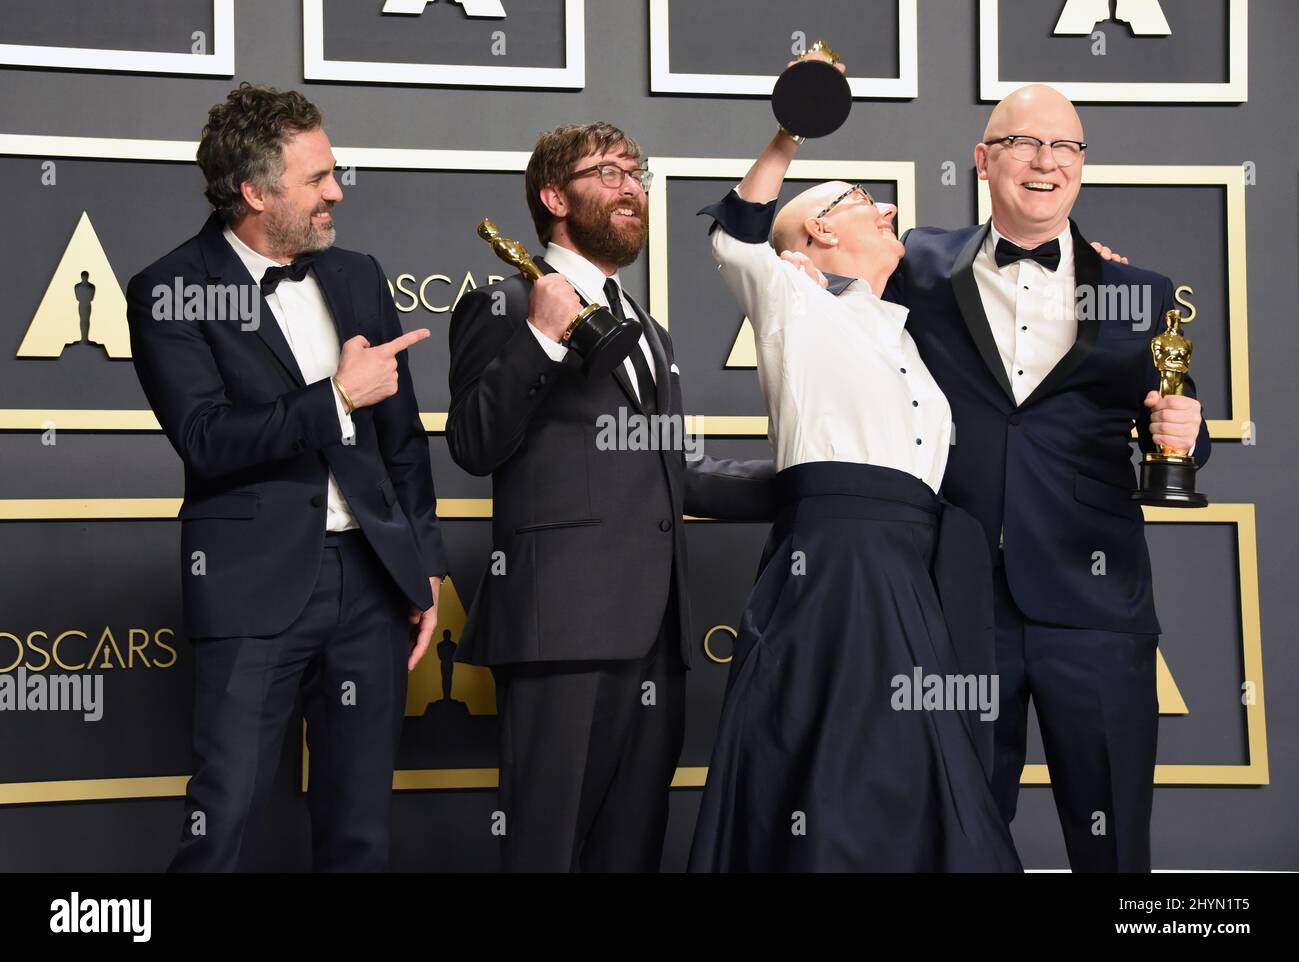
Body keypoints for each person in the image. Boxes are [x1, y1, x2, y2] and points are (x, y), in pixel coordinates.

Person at [687, 54, 1022, 873]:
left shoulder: (906, 332)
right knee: (833, 775)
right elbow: (736, 234)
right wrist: (793, 125)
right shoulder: (789, 297)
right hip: (835, 569)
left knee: (923, 775)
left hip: (917, 570)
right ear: (817, 234)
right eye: (861, 202)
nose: (888, 210)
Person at [880, 84, 1211, 872]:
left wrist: (1187, 437)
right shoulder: (915, 264)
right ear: (984, 158)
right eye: (1026, 143)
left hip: (1094, 601)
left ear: (1083, 167)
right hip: (956, 599)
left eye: (1066, 147)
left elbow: (1175, 427)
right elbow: (793, 270)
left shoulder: (1145, 294)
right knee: (959, 831)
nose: (1046, 161)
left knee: (1115, 839)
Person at [127, 84, 447, 871]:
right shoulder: (169, 288)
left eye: (333, 172)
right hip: (252, 586)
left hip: (372, 586)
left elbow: (401, 444)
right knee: (225, 814)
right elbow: (205, 439)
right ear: (254, 191)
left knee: (360, 825)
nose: (337, 190)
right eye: (317, 179)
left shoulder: (358, 274)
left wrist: (426, 566)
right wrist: (335, 396)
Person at [446, 121, 777, 872]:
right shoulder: (504, 304)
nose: (631, 186)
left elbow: (675, 474)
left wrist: (808, 482)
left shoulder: (648, 330)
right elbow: (471, 443)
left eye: (637, 172)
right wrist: (541, 338)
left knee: (631, 851)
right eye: (608, 172)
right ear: (554, 196)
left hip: (657, 634)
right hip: (559, 630)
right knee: (545, 849)